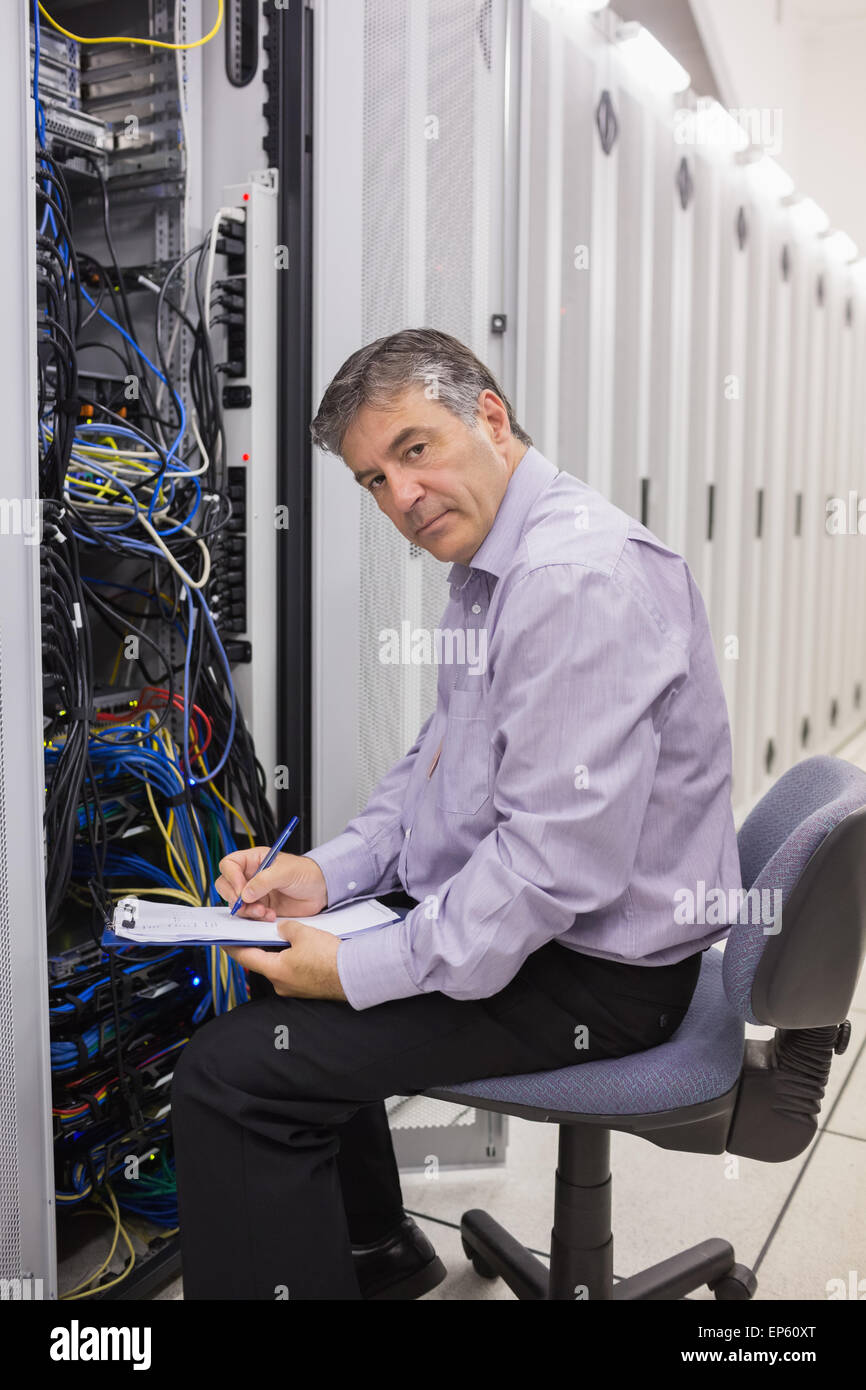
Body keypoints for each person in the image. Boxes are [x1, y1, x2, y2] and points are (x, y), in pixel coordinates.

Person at [170, 327, 742, 1300]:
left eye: (412, 450)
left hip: (600, 975)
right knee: (278, 972)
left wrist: (352, 965)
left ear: (487, 414)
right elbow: (436, 761)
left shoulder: (569, 577)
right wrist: (327, 875)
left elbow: (549, 871)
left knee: (231, 1077)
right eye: (371, 481)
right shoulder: (493, 566)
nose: (399, 498)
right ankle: (376, 1256)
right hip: (566, 931)